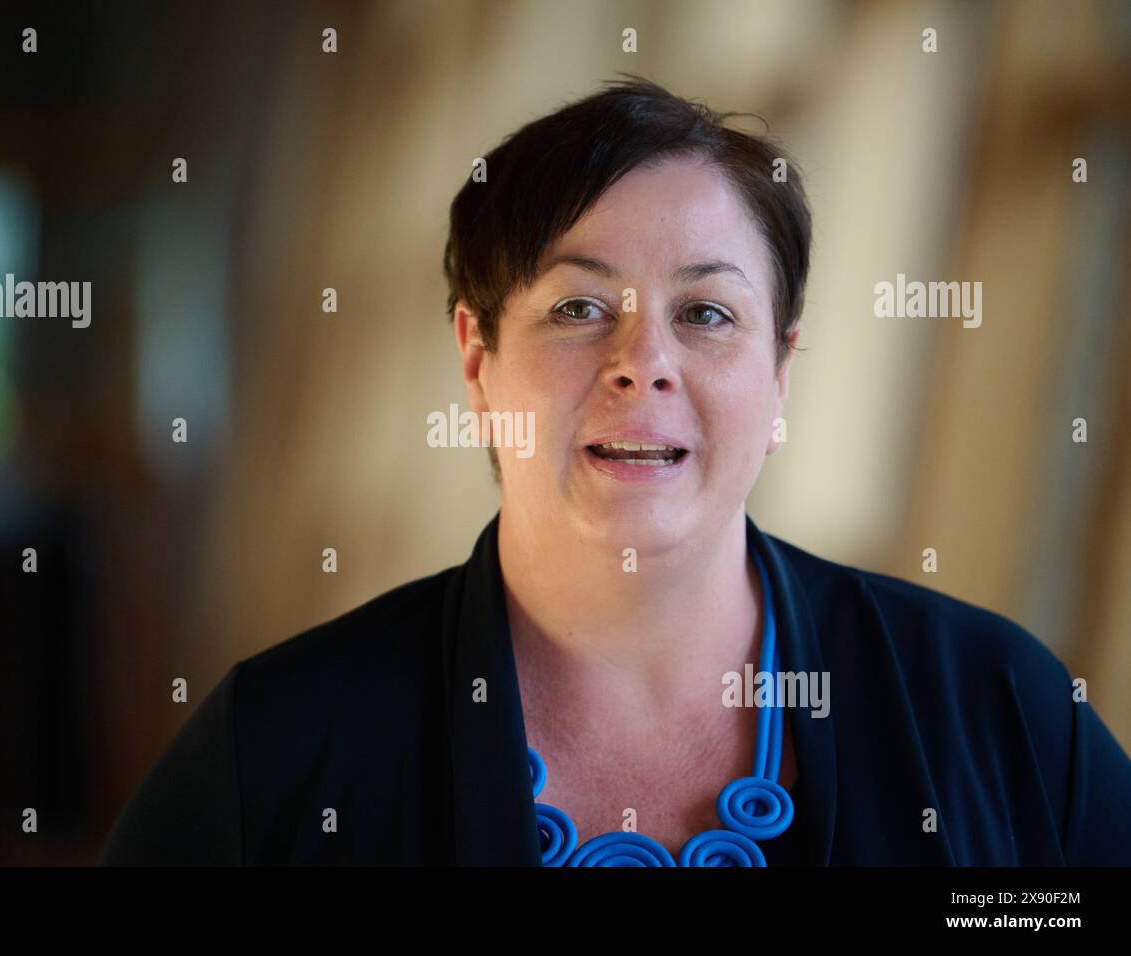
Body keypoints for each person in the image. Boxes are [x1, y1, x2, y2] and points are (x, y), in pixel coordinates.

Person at [101, 76, 1131, 866]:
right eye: (577, 308)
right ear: (475, 357)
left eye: (706, 313)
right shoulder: (274, 751)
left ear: (779, 372)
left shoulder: (1002, 713)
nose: (644, 362)